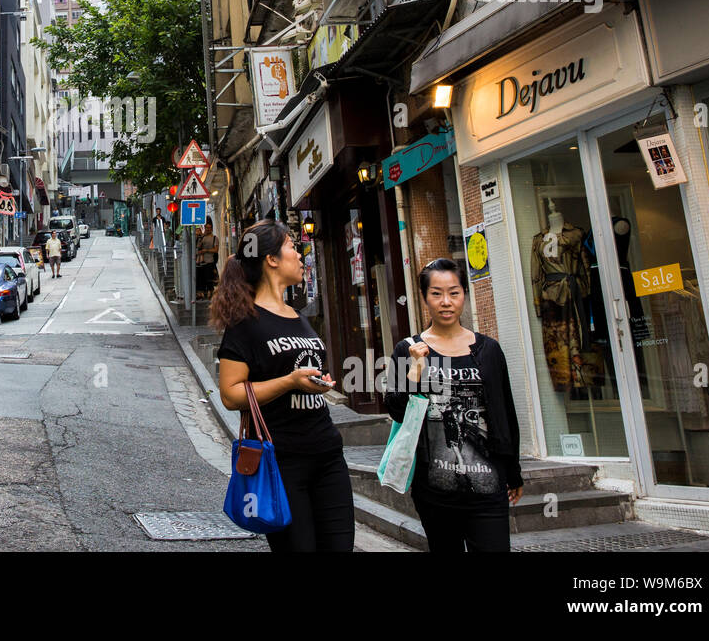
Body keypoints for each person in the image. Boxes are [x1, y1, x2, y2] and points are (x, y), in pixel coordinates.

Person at [213, 219, 354, 552]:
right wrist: (290, 382)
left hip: (328, 455)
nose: (300, 253)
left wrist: (319, 381)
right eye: (292, 246)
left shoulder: (296, 314)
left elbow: (300, 369)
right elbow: (231, 395)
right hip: (282, 463)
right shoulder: (244, 323)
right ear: (272, 259)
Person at [384, 257, 524, 552]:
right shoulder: (407, 349)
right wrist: (415, 370)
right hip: (435, 491)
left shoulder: (489, 350)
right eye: (436, 293)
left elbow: (505, 414)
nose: (446, 302)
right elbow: (395, 410)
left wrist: (513, 471)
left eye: (454, 292)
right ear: (424, 298)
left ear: (464, 295)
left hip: (489, 486)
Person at [196, 219, 219, 298]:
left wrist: (206, 250)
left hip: (210, 262)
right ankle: (205, 293)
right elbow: (198, 247)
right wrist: (201, 237)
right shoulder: (202, 237)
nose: (208, 229)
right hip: (201, 262)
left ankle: (210, 294)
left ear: (211, 229)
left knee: (210, 279)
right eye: (206, 228)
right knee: (202, 279)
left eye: (209, 228)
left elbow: (216, 250)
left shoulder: (215, 238)